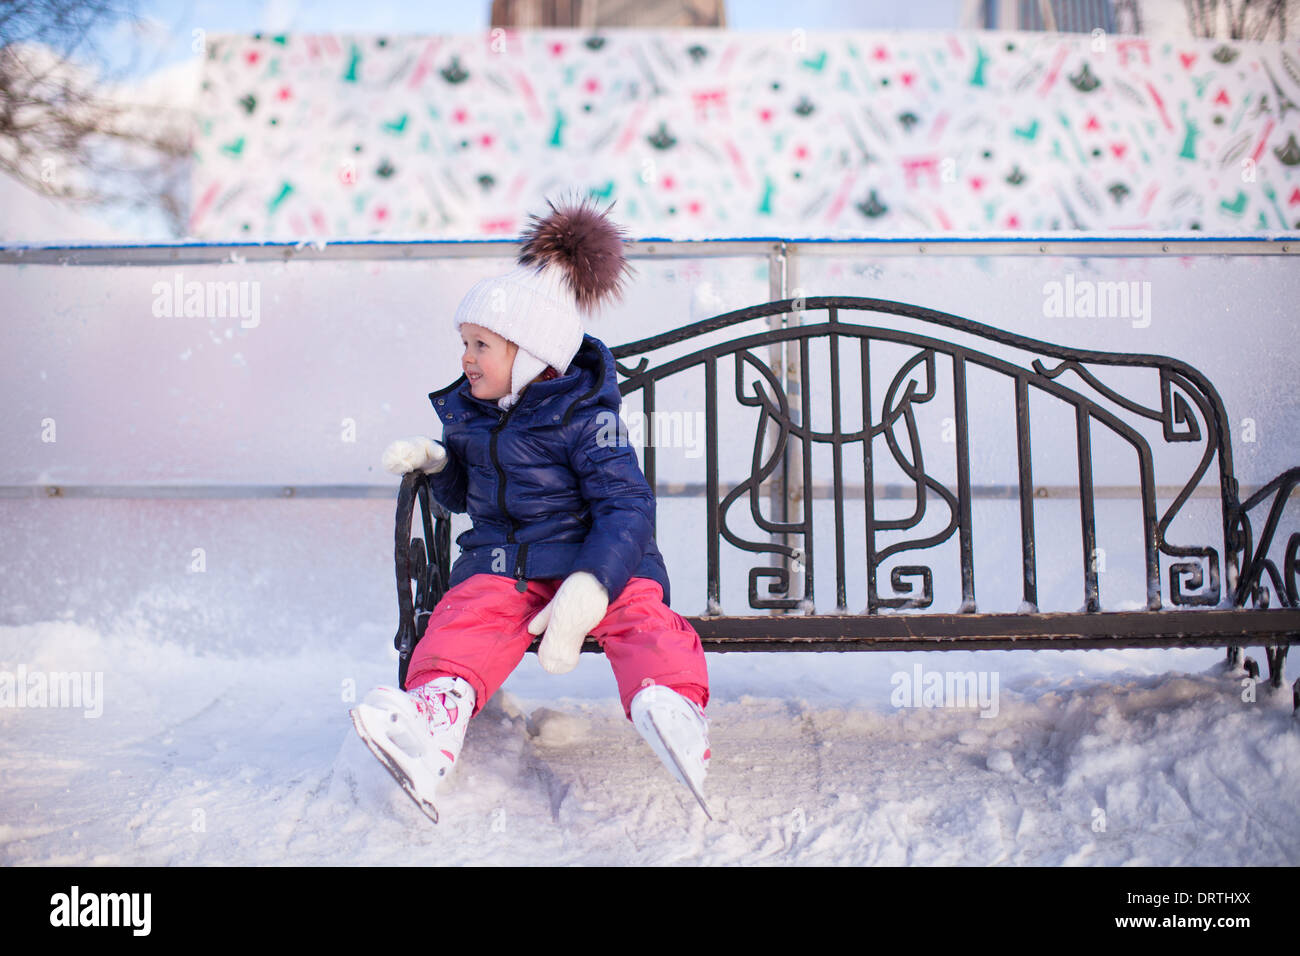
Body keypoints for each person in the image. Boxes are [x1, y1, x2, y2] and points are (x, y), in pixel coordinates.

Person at [351, 195, 711, 820]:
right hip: (505, 564)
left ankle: (672, 704)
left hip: (595, 562)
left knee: (642, 620)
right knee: (467, 615)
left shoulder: (588, 419)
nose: (465, 359)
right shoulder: (473, 416)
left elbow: (627, 505)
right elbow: (467, 499)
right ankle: (434, 719)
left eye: (481, 344)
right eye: (464, 342)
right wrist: (442, 466)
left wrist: (594, 583)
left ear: (530, 355)